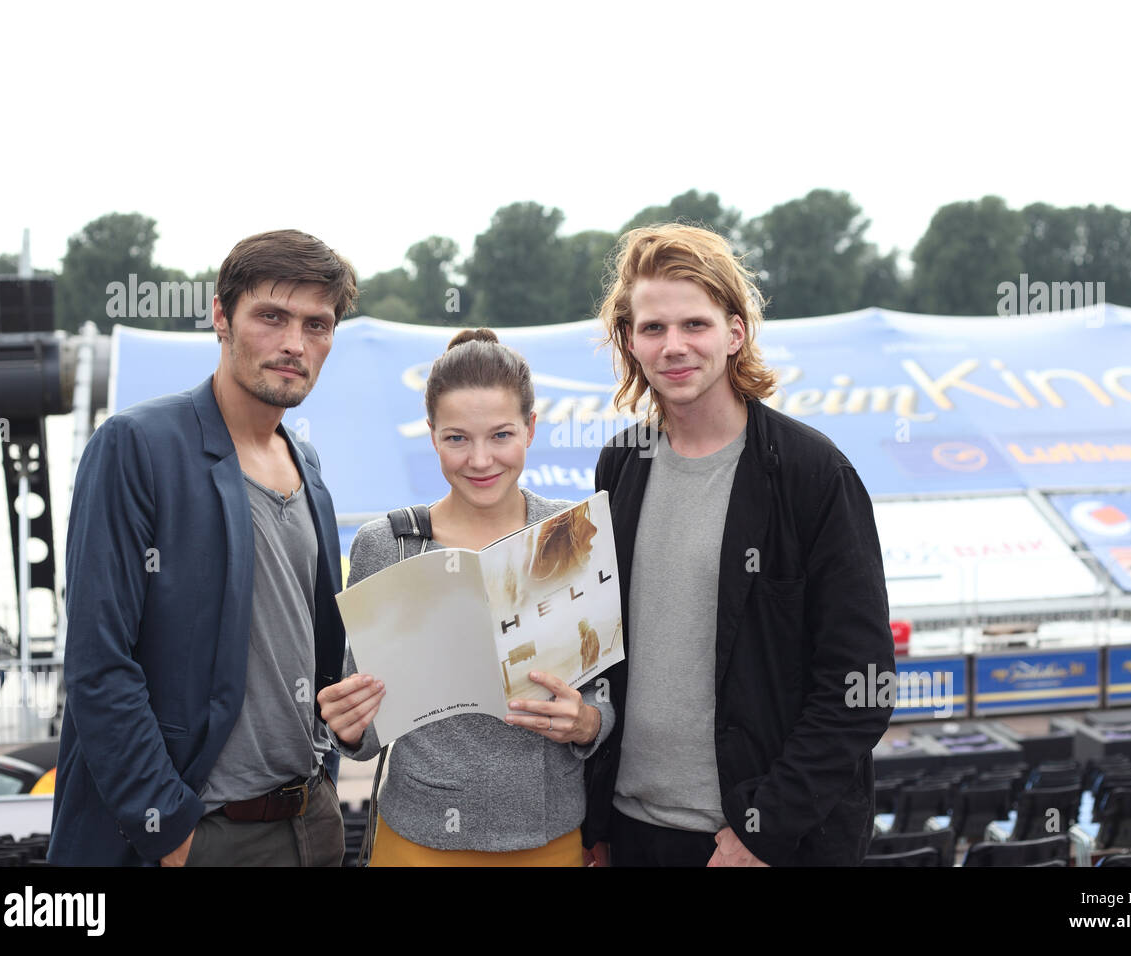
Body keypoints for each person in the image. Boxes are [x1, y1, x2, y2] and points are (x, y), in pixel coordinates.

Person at [48, 229, 373, 866]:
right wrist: (170, 834)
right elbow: (98, 663)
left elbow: (313, 653)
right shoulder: (135, 447)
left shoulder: (306, 464)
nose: (293, 344)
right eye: (271, 317)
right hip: (200, 833)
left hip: (311, 824)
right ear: (220, 316)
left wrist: (344, 731)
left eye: (317, 324)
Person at [583, 224, 894, 867]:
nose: (674, 347)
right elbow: (606, 655)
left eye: (694, 325)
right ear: (629, 341)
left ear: (735, 332)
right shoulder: (620, 465)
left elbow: (861, 686)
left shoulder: (813, 475)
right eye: (652, 329)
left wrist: (764, 829)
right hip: (635, 830)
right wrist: (600, 823)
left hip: (761, 844)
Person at [322, 328, 614, 866]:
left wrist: (590, 723)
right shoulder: (384, 545)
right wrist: (346, 725)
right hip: (417, 842)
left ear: (530, 428)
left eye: (500, 435)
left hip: (548, 842)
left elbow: (602, 696)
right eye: (457, 438)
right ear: (431, 435)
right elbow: (363, 731)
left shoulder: (574, 533)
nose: (480, 460)